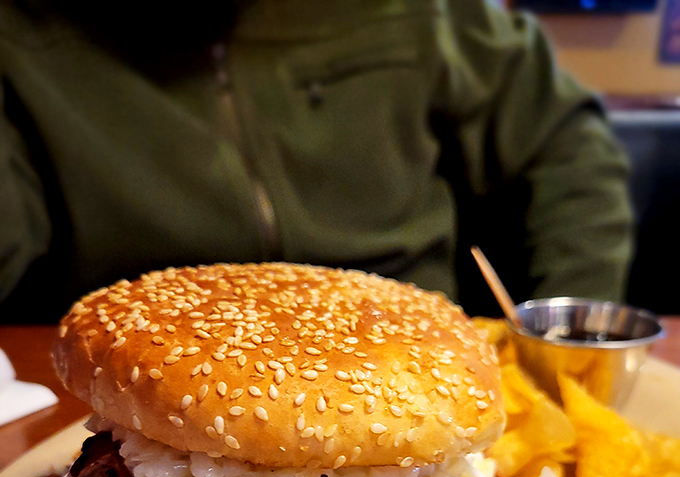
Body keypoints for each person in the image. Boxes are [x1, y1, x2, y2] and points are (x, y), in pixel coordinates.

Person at [0, 0, 633, 322]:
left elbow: (561, 141)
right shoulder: (23, 35)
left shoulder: (420, 12)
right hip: (136, 370)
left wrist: (569, 339)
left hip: (413, 347)